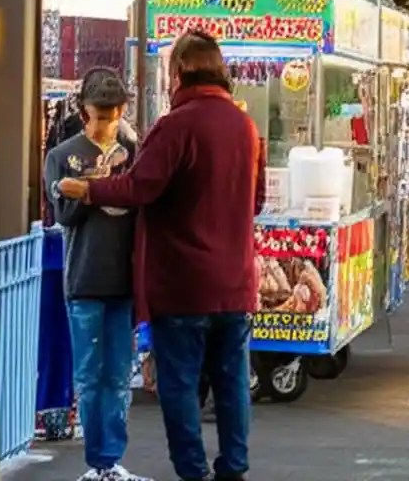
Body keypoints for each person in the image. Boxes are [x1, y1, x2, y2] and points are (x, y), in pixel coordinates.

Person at [58, 30, 262, 481]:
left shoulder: (177, 125)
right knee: (232, 385)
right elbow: (258, 200)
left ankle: (193, 472)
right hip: (236, 283)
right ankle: (234, 469)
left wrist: (88, 189)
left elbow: (138, 187)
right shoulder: (245, 126)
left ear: (179, 73)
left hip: (183, 285)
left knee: (179, 387)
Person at [44, 68, 146, 481]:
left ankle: (112, 460)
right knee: (89, 375)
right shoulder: (62, 155)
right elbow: (64, 214)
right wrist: (93, 186)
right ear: (84, 111)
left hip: (125, 279)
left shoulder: (135, 152)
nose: (105, 123)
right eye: (98, 114)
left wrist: (85, 187)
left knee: (119, 374)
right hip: (84, 278)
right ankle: (98, 462)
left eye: (113, 114)